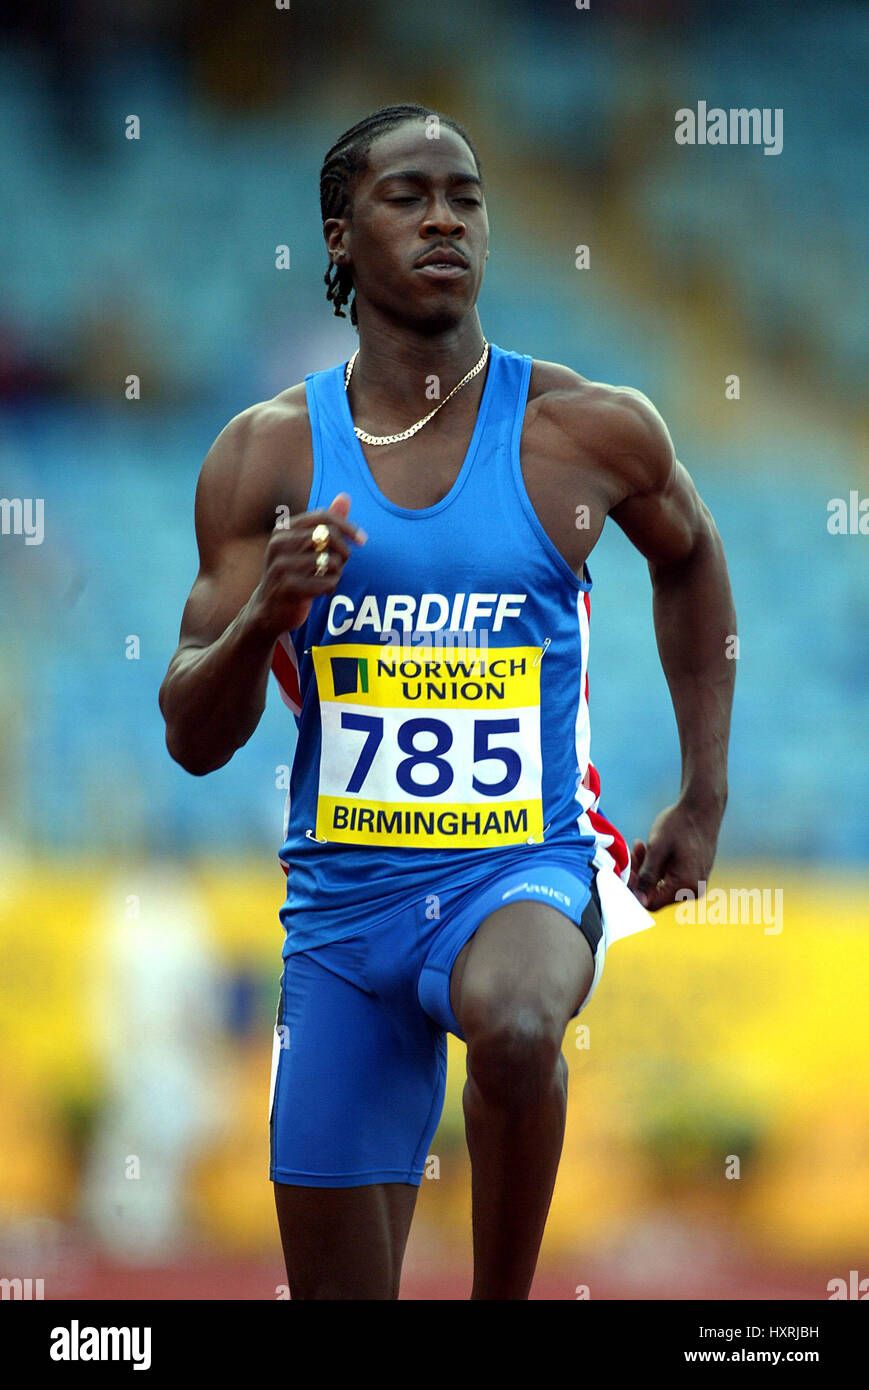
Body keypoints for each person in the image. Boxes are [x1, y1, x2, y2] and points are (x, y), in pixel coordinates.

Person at [158, 103, 736, 1300]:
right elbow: (190, 733)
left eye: (464, 198)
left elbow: (687, 556)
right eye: (406, 196)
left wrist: (700, 789)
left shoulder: (583, 431)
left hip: (518, 872)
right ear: (336, 238)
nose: (442, 219)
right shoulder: (264, 458)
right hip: (340, 913)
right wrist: (266, 612)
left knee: (519, 1025)